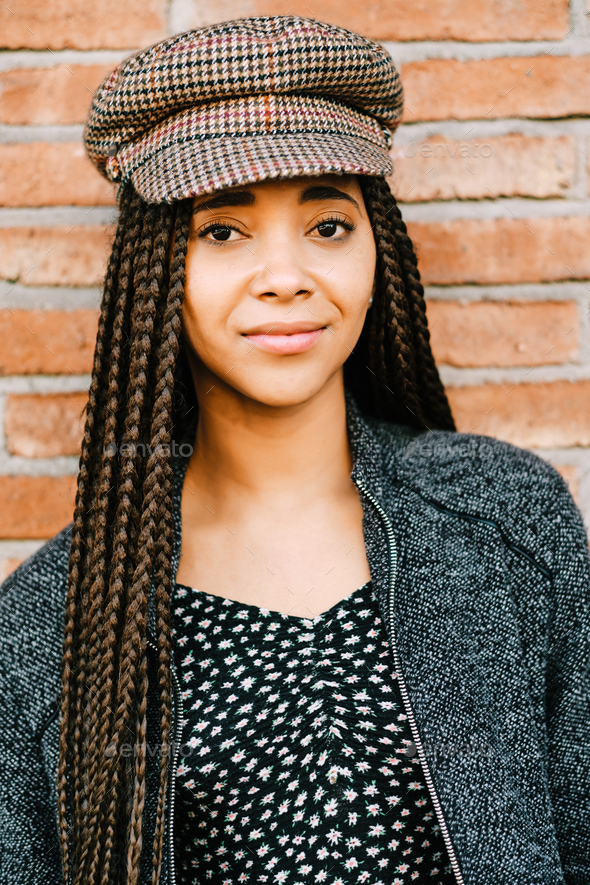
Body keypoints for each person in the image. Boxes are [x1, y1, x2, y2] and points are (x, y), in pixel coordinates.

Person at [0, 14, 588, 885]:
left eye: (327, 226)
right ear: (157, 270)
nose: (286, 275)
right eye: (223, 230)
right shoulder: (49, 625)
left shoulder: (507, 520)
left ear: (377, 251)